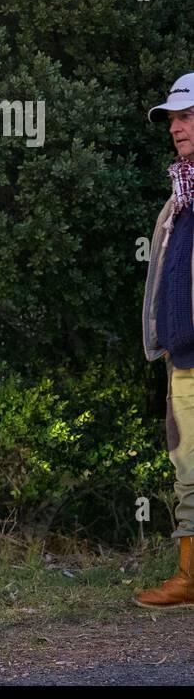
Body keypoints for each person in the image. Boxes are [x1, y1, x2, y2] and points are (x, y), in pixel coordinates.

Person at [135, 71, 194, 609]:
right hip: (183, 358)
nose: (175, 127)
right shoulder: (177, 198)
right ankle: (189, 577)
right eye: (172, 119)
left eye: (186, 115)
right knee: (188, 474)